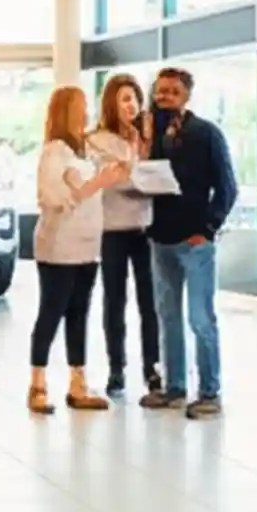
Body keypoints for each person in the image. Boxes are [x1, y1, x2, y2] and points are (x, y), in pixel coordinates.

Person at [139, 67, 238, 419]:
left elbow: (227, 187)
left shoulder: (206, 134)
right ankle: (175, 387)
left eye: (172, 91)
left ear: (186, 95)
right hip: (159, 238)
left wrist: (208, 228)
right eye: (160, 90)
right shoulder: (146, 135)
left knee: (200, 317)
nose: (164, 96)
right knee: (167, 316)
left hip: (195, 241)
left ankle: (210, 391)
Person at [28, 85, 128, 415]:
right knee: (52, 311)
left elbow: (87, 185)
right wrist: (96, 184)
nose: (85, 113)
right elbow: (53, 197)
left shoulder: (84, 151)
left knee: (79, 313)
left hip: (87, 244)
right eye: (80, 107)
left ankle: (77, 382)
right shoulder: (55, 152)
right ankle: (38, 383)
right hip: (59, 246)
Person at [87, 74, 161, 399]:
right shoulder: (96, 140)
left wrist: (140, 155)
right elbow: (111, 182)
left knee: (150, 302)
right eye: (124, 99)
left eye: (134, 98)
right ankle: (117, 368)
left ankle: (152, 368)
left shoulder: (146, 138)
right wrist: (134, 174)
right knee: (114, 300)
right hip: (112, 229)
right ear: (111, 104)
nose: (131, 105)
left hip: (146, 229)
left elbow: (154, 177)